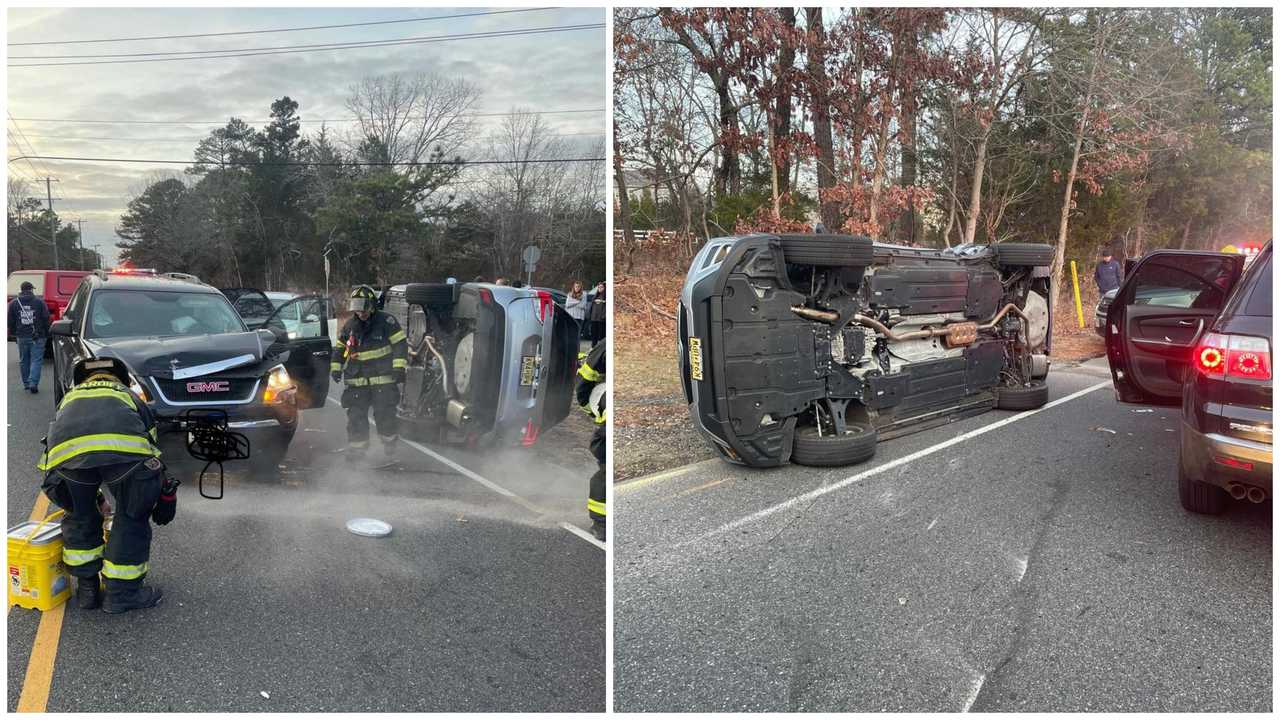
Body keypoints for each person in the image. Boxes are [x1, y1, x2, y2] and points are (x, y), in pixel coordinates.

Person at [38, 357, 169, 613]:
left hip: (68, 463)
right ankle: (121, 595)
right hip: (127, 462)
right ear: (120, 379)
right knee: (130, 518)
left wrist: (96, 498)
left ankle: (87, 592)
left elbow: (66, 444)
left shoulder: (70, 398)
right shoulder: (127, 395)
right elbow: (151, 446)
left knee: (80, 515)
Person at [331, 285, 408, 464]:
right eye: (356, 306)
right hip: (357, 382)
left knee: (384, 416)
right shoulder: (350, 326)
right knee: (356, 417)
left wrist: (399, 367)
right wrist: (336, 367)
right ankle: (357, 452)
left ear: (372, 305)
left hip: (383, 380)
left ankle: (390, 445)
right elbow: (340, 349)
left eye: (363, 306)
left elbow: (400, 345)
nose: (360, 311)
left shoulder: (387, 322)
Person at [576, 341, 607, 541]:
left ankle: (601, 525)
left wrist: (591, 411)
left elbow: (583, 386)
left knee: (602, 476)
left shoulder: (604, 346)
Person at [8, 280, 51, 393]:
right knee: (36, 360)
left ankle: (26, 383)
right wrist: (47, 332)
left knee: (24, 360)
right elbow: (46, 319)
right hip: (38, 335)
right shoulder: (40, 302)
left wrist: (14, 333)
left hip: (21, 335)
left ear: (21, 290)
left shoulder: (13, 303)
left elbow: (10, 321)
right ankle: (33, 383)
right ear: (31, 289)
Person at [588, 281, 607, 346]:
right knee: (594, 335)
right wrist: (590, 315)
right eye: (599, 287)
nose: (600, 289)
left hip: (601, 319)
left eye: (601, 287)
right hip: (594, 318)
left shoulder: (606, 296)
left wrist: (603, 316)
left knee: (601, 336)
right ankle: (593, 347)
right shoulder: (595, 296)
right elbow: (591, 306)